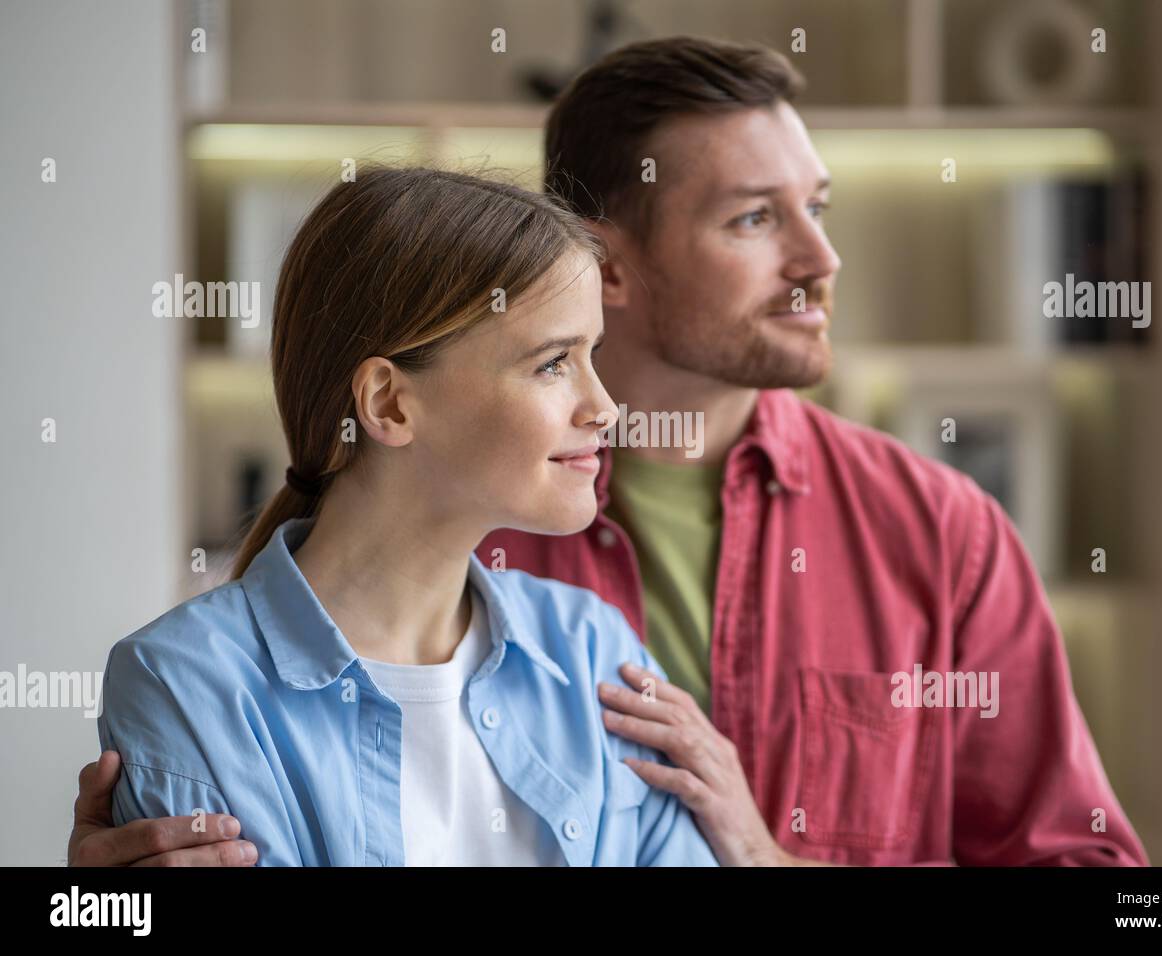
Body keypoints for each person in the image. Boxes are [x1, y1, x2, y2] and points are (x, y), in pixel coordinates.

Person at [70, 36, 1148, 868]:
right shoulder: (471, 530)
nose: (822, 257)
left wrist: (770, 857)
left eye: (815, 209)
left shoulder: (934, 534)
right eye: (752, 219)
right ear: (608, 264)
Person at [88, 166, 717, 867]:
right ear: (388, 404)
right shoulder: (182, 682)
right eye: (552, 363)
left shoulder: (595, 649)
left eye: (591, 355)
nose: (604, 407)